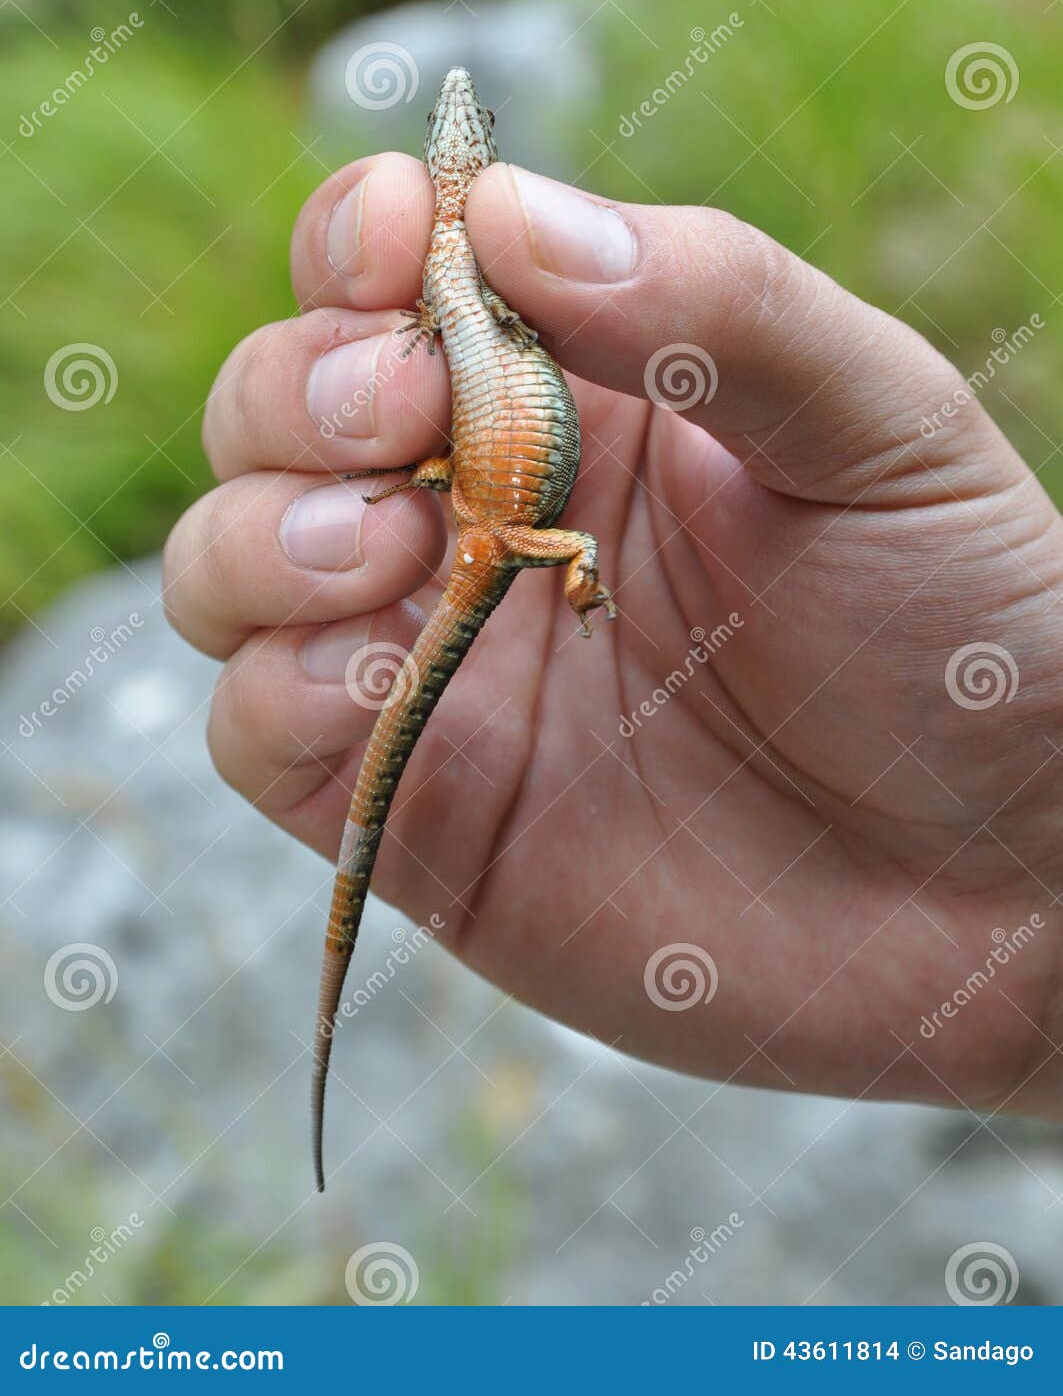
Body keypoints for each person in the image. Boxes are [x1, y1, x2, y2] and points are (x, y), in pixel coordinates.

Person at [164, 152, 1063, 1117]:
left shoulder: (482, 264)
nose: (456, 140)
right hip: (486, 511)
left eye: (473, 134)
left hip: (502, 520)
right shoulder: (444, 283)